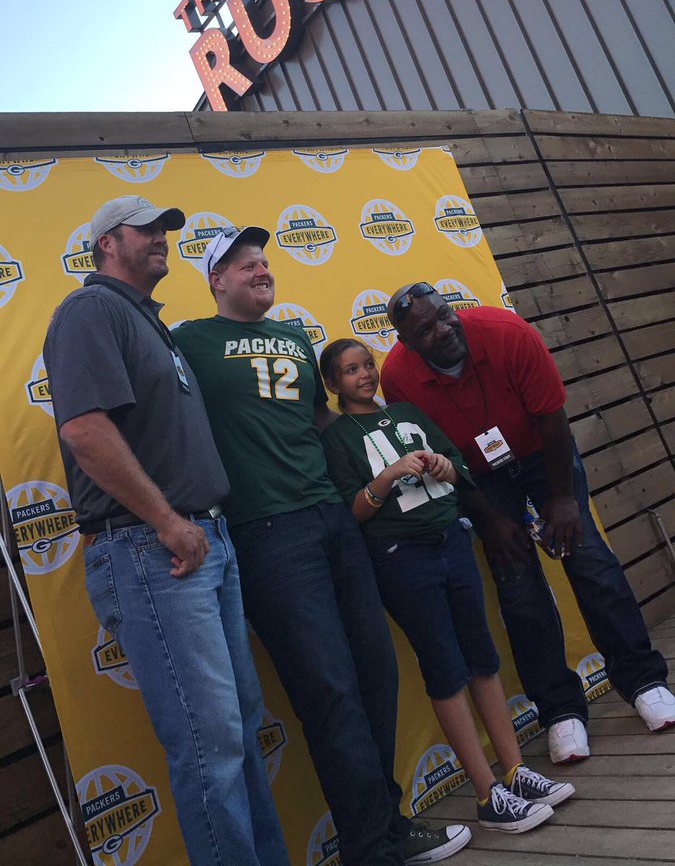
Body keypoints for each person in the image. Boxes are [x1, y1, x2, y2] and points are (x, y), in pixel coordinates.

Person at [174, 226, 470, 866]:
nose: (260, 269)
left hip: (335, 517)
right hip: (268, 531)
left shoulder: (296, 340)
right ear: (215, 280)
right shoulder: (189, 340)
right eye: (243, 264)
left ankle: (387, 826)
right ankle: (371, 848)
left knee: (376, 672)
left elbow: (324, 420)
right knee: (329, 689)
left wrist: (392, 437)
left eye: (263, 261)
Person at [43, 196, 291, 866]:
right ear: (105, 245)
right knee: (208, 747)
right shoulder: (90, 311)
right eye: (145, 230)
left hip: (198, 545)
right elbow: (84, 431)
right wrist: (166, 523)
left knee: (234, 733)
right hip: (153, 550)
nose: (161, 238)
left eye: (165, 230)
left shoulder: (147, 323)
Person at [380, 283, 675, 764]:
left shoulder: (506, 332)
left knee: (588, 558)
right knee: (517, 583)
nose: (444, 329)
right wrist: (490, 520)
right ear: (408, 344)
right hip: (477, 477)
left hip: (542, 452)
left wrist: (562, 498)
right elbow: (439, 460)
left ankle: (643, 681)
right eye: (426, 330)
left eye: (444, 315)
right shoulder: (398, 378)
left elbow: (552, 418)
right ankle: (560, 711)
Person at [319, 336, 574, 834]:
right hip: (400, 557)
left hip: (450, 542)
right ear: (332, 384)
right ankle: (486, 793)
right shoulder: (337, 438)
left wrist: (443, 466)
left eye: (367, 365)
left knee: (482, 657)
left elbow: (458, 465)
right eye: (350, 370)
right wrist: (390, 475)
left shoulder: (409, 412)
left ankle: (516, 770)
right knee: (445, 668)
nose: (364, 375)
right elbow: (353, 510)